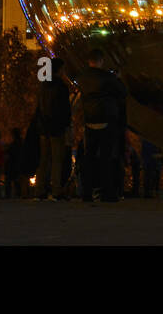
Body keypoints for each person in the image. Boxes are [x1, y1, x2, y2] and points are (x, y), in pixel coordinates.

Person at [77, 49, 127, 202]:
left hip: (90, 120)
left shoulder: (82, 78)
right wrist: (117, 78)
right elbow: (122, 92)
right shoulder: (107, 77)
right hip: (106, 120)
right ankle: (108, 192)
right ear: (100, 61)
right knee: (106, 158)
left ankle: (86, 192)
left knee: (89, 157)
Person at [35, 57, 71, 200]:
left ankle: (39, 190)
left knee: (43, 160)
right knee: (57, 159)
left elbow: (39, 107)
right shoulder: (61, 86)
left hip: (43, 128)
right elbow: (65, 109)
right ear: (59, 70)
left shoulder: (43, 86)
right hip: (57, 127)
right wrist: (67, 125)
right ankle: (56, 190)